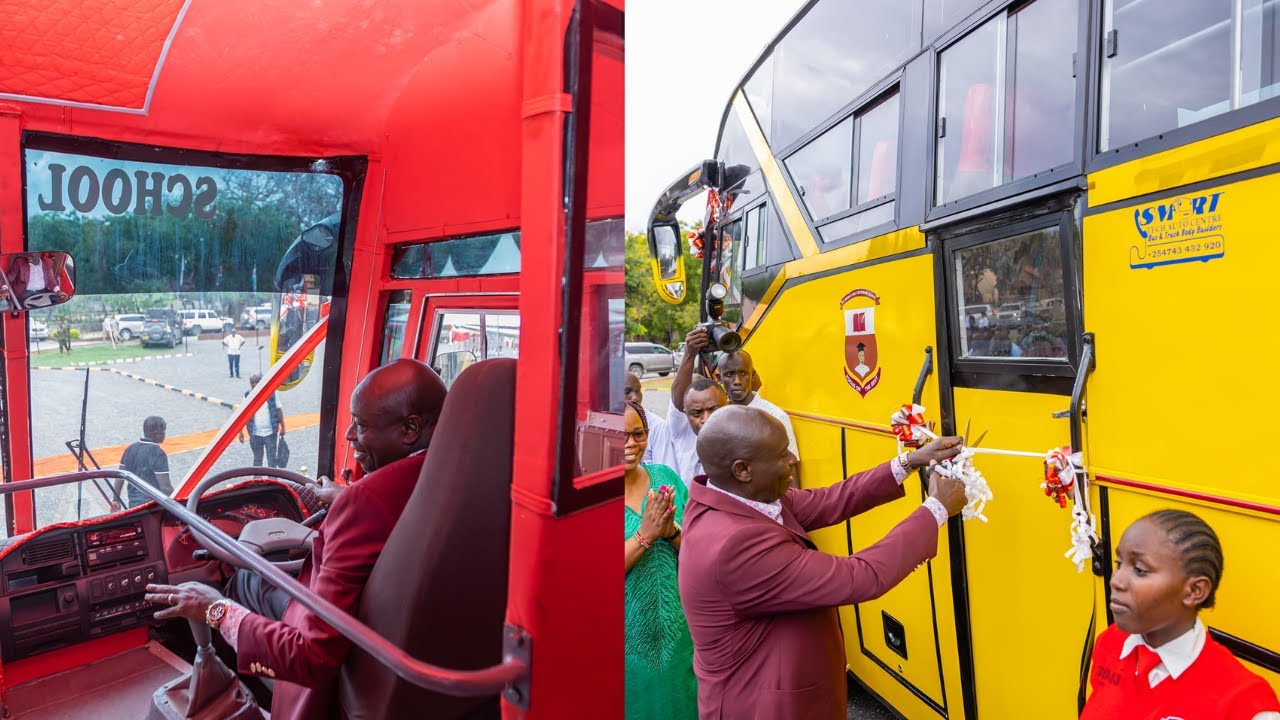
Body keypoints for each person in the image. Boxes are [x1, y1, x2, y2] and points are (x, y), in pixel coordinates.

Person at [146, 359, 449, 720]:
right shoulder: (457, 476)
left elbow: (313, 655)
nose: (349, 435)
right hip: (418, 650)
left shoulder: (363, 506)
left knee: (246, 578)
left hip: (350, 659)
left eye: (361, 425)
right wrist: (345, 498)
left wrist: (214, 608)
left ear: (410, 428)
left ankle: (241, 692)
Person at [678, 405, 965, 719]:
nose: (792, 459)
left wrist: (909, 461)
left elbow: (830, 500)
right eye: (781, 454)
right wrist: (937, 508)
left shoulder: (739, 497)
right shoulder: (736, 546)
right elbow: (859, 577)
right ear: (742, 469)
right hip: (765, 706)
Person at [1081, 510, 1280, 719]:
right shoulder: (1111, 642)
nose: (1116, 581)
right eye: (1119, 564)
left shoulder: (1246, 704)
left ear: (1194, 591)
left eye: (1139, 570)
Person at [623, 400, 697, 720]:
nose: (630, 444)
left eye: (638, 434)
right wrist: (645, 535)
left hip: (680, 637)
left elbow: (700, 551)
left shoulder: (664, 478)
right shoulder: (592, 495)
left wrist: (671, 533)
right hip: (626, 647)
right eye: (620, 436)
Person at [115, 416, 171, 508]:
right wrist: (178, 504)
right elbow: (166, 488)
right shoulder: (158, 454)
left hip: (133, 505)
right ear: (156, 433)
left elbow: (119, 478)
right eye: (163, 432)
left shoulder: (129, 449)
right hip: (153, 506)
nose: (164, 435)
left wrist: (115, 500)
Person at [239, 374, 285, 468]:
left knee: (272, 460)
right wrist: (240, 432)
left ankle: (272, 477)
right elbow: (242, 414)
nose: (255, 384)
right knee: (257, 460)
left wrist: (283, 427)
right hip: (255, 434)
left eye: (257, 382)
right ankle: (257, 477)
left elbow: (278, 410)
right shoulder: (247, 396)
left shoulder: (271, 393)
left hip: (270, 433)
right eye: (252, 382)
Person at [624, 371, 668, 465]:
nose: (635, 397)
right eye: (627, 392)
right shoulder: (604, 422)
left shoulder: (657, 426)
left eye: (638, 390)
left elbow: (663, 469)